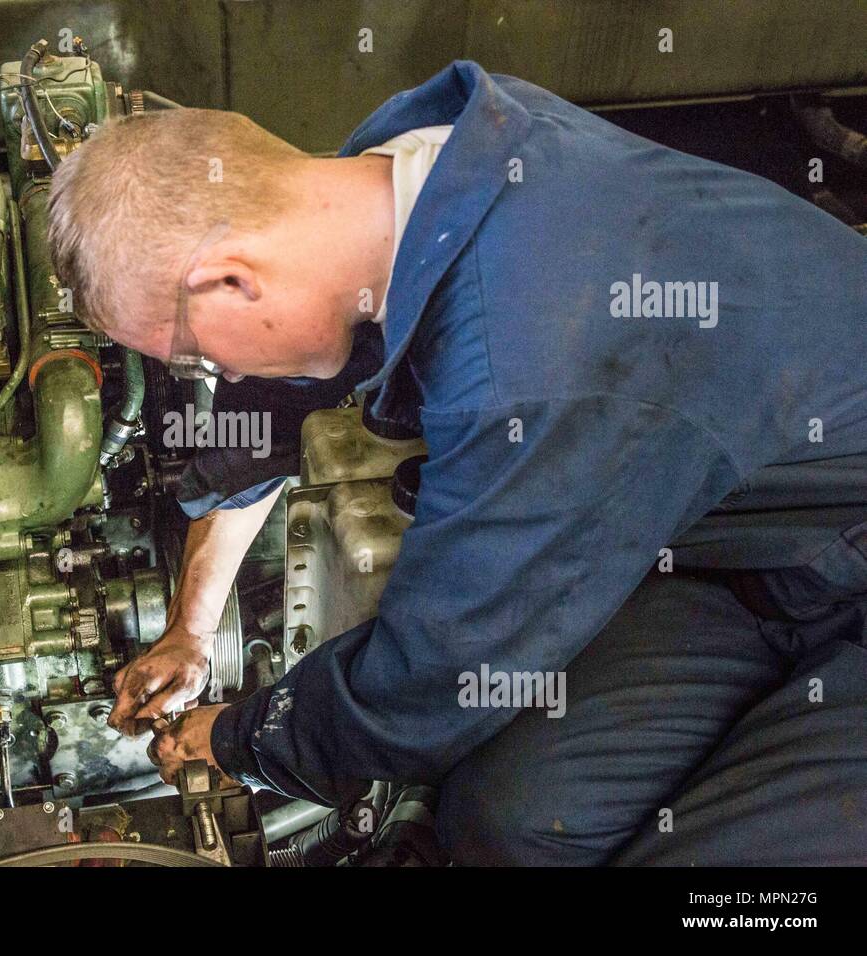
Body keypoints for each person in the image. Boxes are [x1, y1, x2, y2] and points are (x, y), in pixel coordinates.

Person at [47, 61, 867, 864]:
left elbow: (433, 680)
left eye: (198, 359)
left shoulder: (525, 356)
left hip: (836, 567)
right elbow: (275, 413)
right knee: (511, 825)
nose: (219, 381)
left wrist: (234, 738)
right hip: (760, 560)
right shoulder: (400, 175)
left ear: (230, 279)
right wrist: (192, 629)